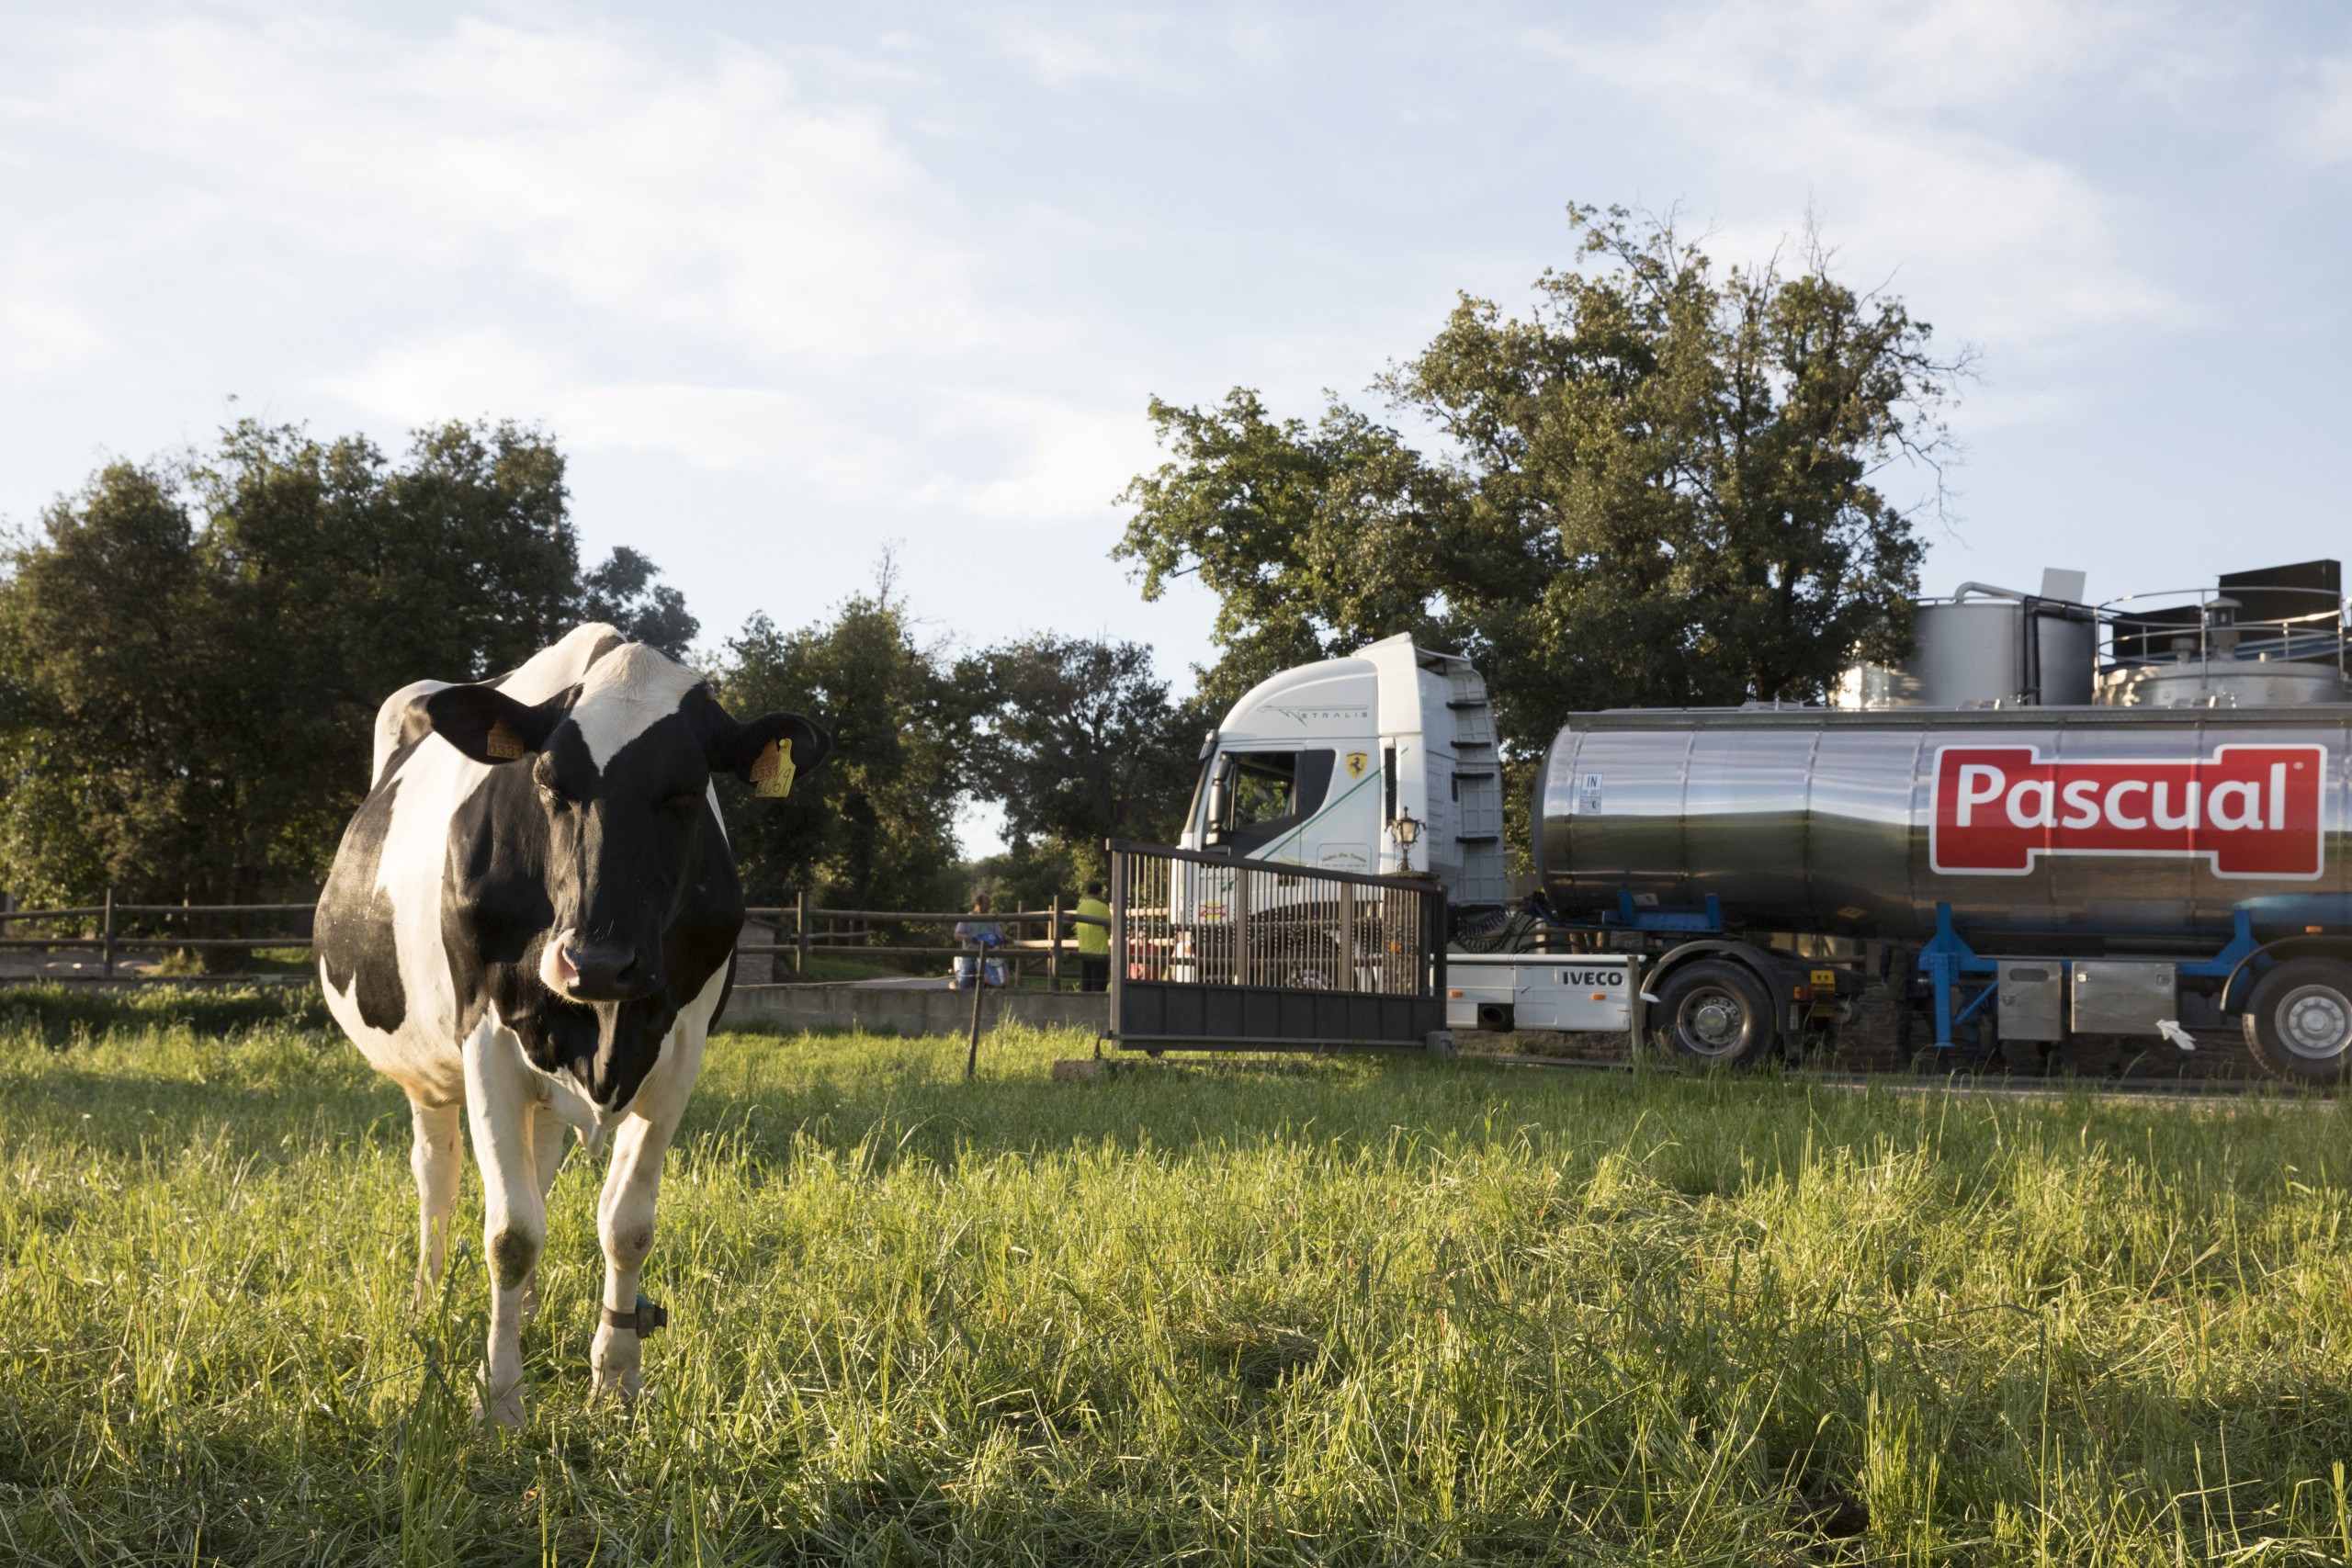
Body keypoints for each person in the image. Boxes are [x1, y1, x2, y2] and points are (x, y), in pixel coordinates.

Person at [953, 893, 1004, 988]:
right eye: (986, 904)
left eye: (989, 904)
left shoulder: (991, 919)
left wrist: (1003, 938)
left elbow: (999, 933)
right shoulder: (967, 918)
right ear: (978, 905)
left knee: (1000, 971)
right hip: (971, 952)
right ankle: (961, 993)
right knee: (967, 974)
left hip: (989, 953)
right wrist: (965, 937)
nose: (989, 907)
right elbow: (957, 935)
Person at [1075, 880, 1110, 993]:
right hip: (1100, 953)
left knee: (1086, 988)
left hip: (1084, 952)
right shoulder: (1102, 907)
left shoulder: (1080, 907)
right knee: (1099, 988)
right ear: (1098, 893)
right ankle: (1098, 1010)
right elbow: (1109, 929)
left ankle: (1085, 1010)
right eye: (1102, 894)